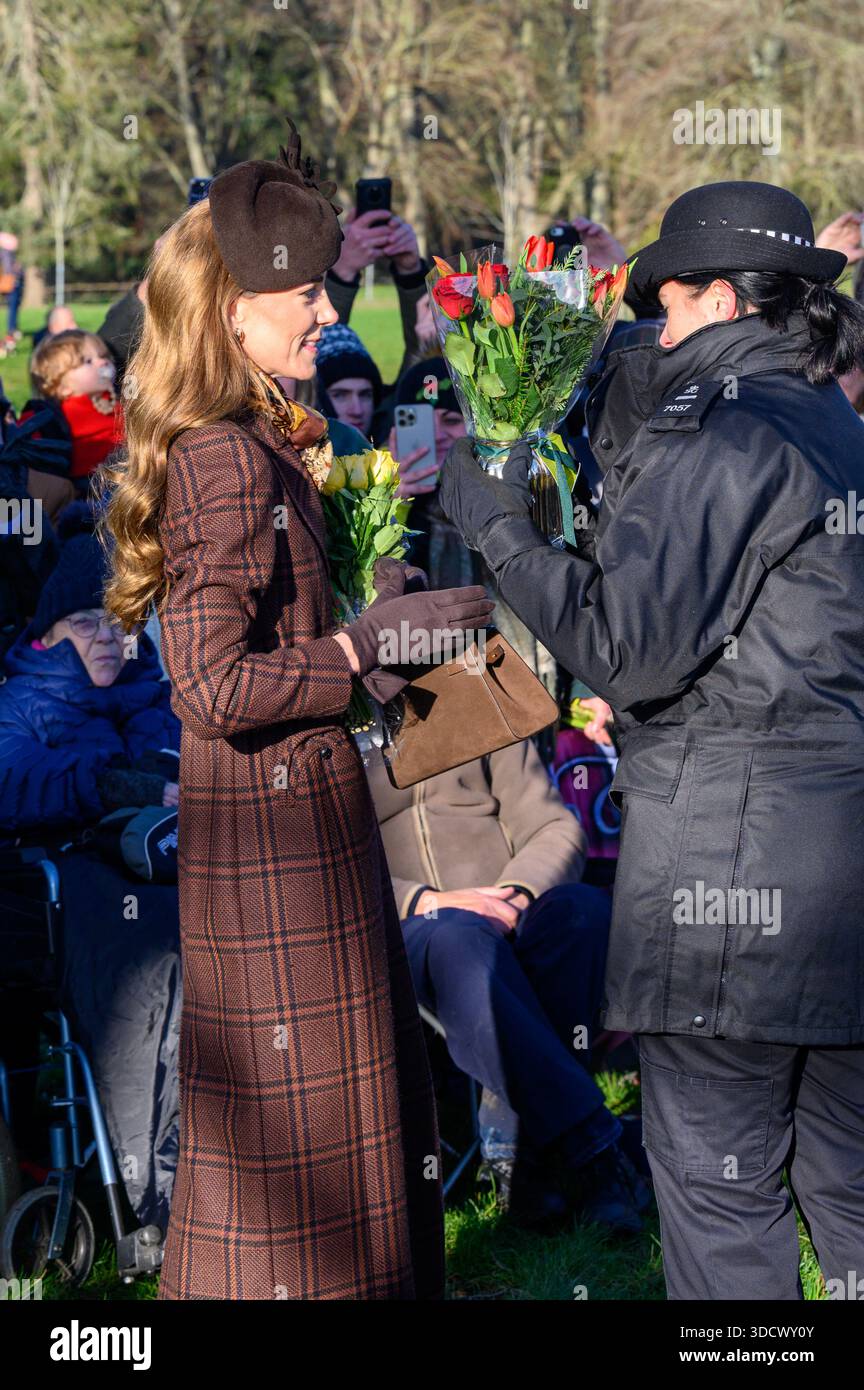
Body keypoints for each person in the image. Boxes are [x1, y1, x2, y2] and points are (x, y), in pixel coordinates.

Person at [440, 179, 864, 1301]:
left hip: (737, 883)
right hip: (831, 874)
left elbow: (627, 644)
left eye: (670, 310)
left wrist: (493, 519)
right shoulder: (823, 414)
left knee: (727, 1219)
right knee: (848, 1192)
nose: (658, 332)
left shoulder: (734, 436)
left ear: (722, 300)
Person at [97, 118, 494, 1301]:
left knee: (339, 1135)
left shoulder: (262, 439)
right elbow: (211, 686)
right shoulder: (222, 457)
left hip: (296, 831)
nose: (330, 313)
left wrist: (396, 626)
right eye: (308, 297)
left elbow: (278, 651)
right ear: (231, 313)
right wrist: (365, 645)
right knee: (308, 1160)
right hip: (275, 850)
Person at [363, 737, 649, 1233]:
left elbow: (553, 826)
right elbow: (319, 858)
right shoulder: (320, 720)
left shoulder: (468, 703)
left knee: (579, 913)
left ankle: (527, 1159)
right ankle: (594, 1148)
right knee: (458, 939)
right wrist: (427, 901)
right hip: (401, 927)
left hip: (508, 909)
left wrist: (517, 893)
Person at [29, 330, 123, 491]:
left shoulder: (118, 403)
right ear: (62, 386)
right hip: (86, 487)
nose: (102, 363)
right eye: (88, 361)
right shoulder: (54, 416)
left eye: (104, 356)